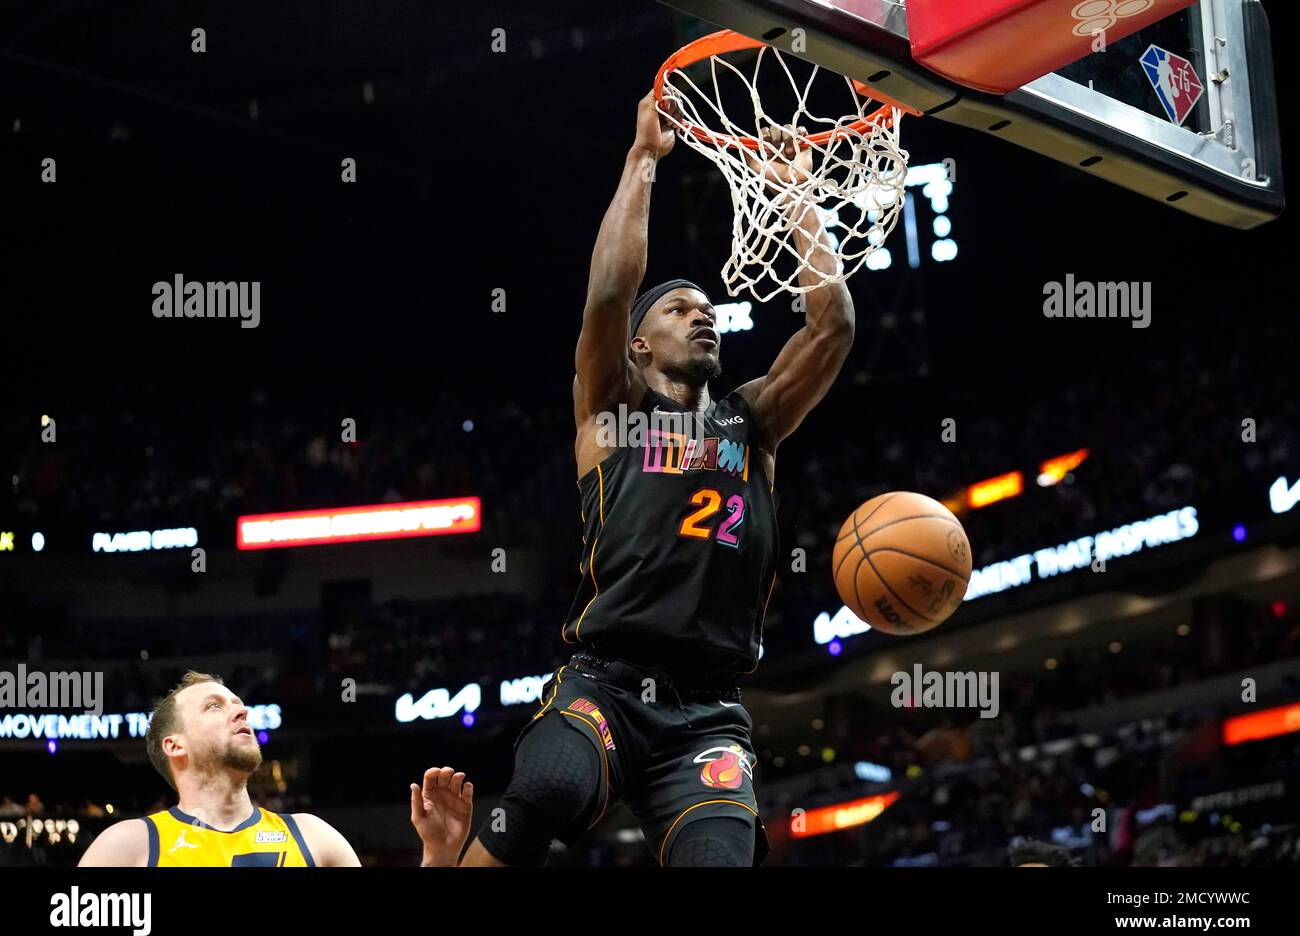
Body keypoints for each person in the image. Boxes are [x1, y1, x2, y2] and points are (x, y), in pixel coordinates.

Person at [458, 91, 856, 867]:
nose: (701, 315)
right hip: (604, 686)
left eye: (707, 309)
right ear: (638, 349)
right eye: (678, 310)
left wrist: (797, 192)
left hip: (708, 713)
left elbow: (832, 323)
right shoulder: (608, 414)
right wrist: (643, 160)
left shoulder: (755, 422)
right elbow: (608, 296)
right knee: (542, 797)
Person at [78, 671, 473, 866]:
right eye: (214, 705)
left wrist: (439, 856)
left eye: (237, 702)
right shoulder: (128, 847)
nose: (240, 709)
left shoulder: (314, 837)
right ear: (174, 745)